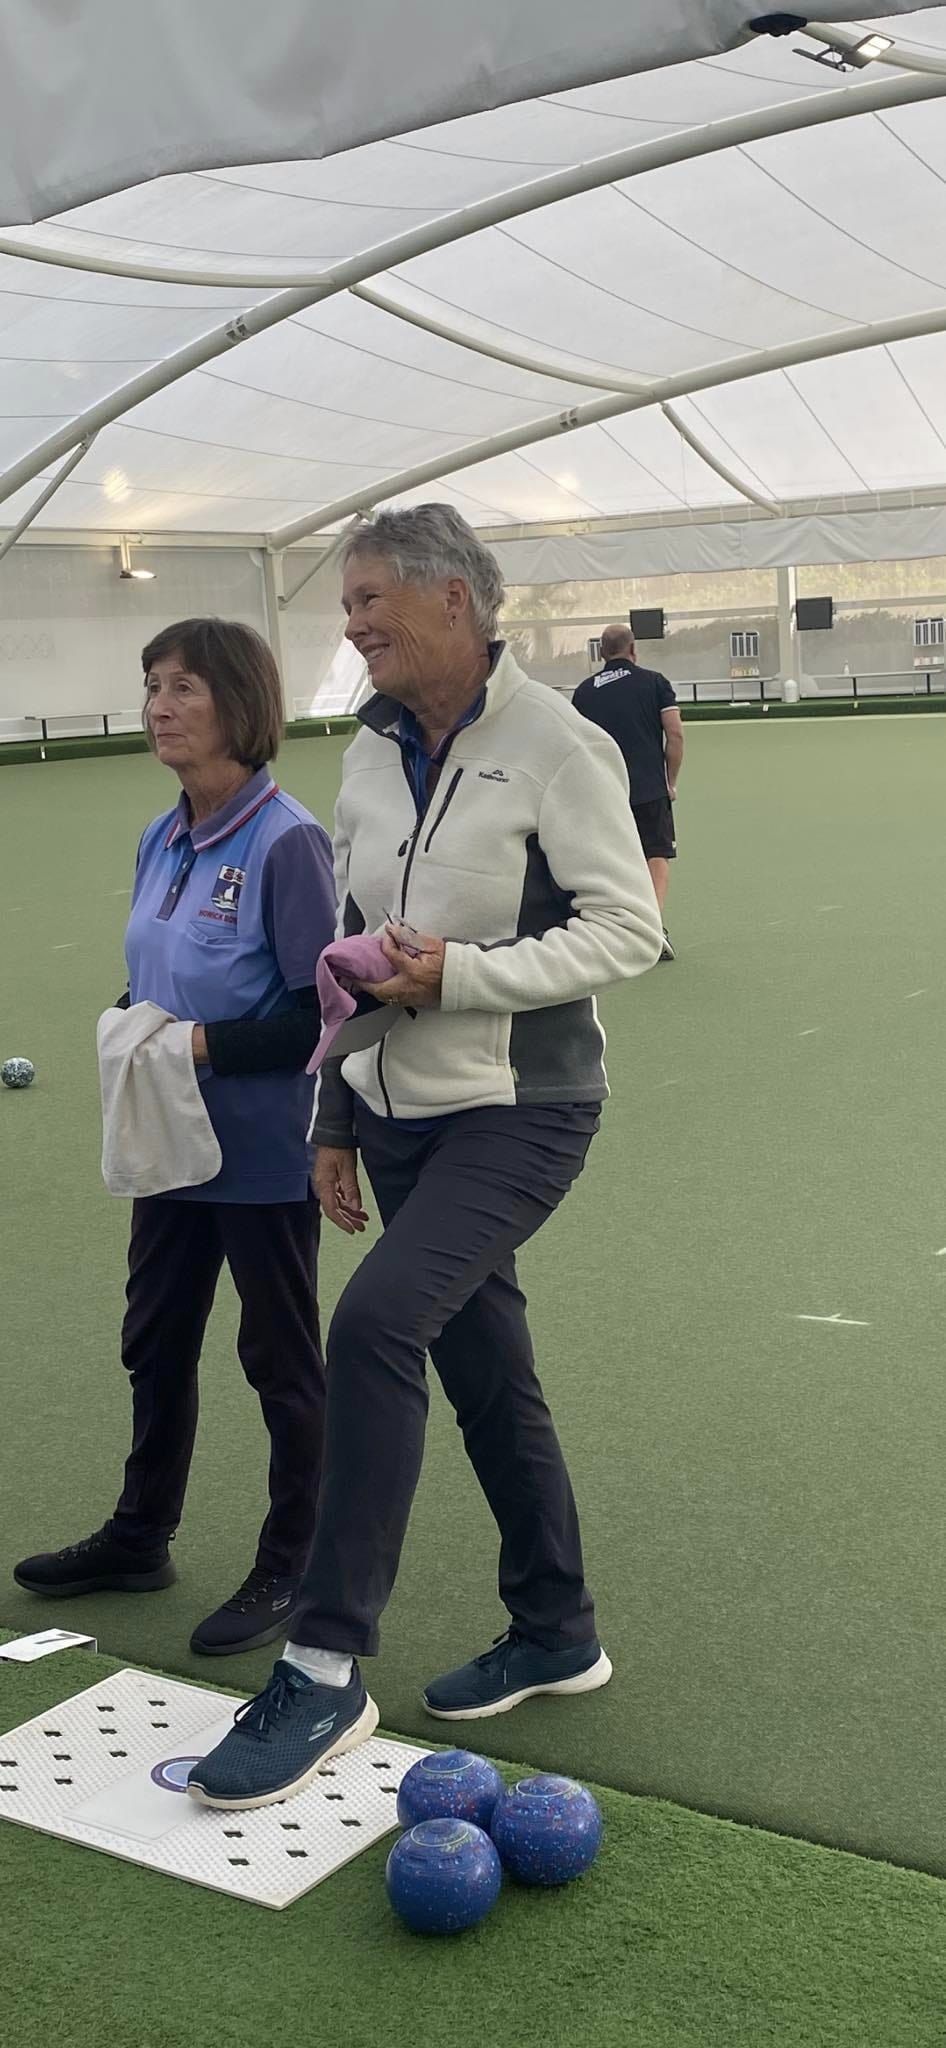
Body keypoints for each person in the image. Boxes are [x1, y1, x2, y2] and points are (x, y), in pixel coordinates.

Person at [187, 504, 665, 1809]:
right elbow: (353, 949)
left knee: (381, 1322)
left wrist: (463, 976)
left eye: (367, 602)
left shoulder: (556, 747)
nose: (348, 625)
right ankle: (557, 1627)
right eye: (345, 605)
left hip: (523, 1107)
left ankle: (327, 1664)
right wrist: (334, 1116)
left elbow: (625, 932)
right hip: (391, 1114)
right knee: (481, 1363)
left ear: (453, 599)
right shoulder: (368, 757)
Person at [14, 619, 336, 1656]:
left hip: (258, 1151)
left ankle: (294, 1559)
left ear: (238, 702)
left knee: (279, 1359)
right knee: (154, 1340)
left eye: (183, 686)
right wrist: (132, 1025)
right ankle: (139, 1534)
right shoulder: (161, 835)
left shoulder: (286, 840)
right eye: (151, 684)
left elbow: (311, 1017)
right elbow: (153, 977)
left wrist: (190, 1044)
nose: (158, 705)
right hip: (168, 1139)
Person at [572, 625, 684, 961]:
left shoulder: (584, 692)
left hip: (603, 791)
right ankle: (652, 928)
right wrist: (670, 781)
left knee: (610, 861)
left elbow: (576, 745)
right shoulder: (654, 682)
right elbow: (675, 735)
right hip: (649, 789)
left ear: (601, 653)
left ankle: (610, 931)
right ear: (633, 649)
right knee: (656, 855)